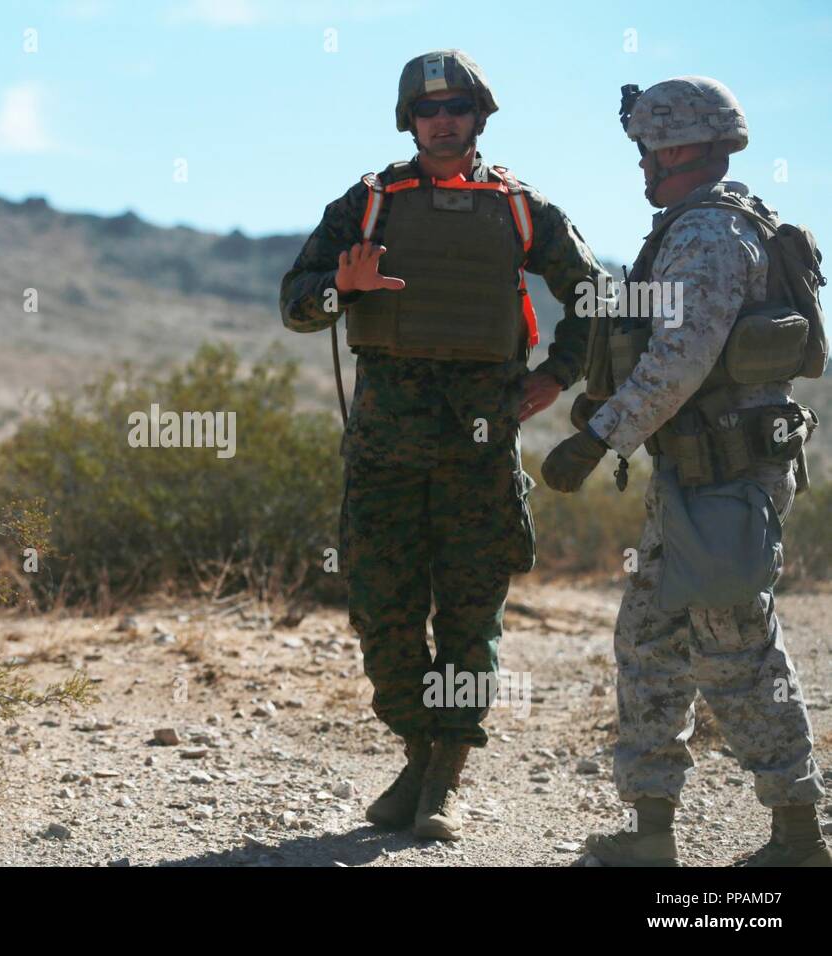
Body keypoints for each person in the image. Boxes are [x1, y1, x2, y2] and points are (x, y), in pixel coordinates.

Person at [280, 49, 606, 841]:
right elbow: (295, 303)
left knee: (468, 620)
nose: (443, 120)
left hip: (479, 451)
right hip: (386, 452)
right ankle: (422, 749)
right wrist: (341, 290)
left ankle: (444, 782)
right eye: (429, 109)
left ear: (479, 115)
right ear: (410, 119)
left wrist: (558, 374)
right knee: (382, 617)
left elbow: (594, 292)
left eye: (458, 106)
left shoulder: (521, 207)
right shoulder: (369, 202)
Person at [543, 76, 829, 866]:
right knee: (649, 640)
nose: (640, 161)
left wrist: (600, 436)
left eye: (646, 145)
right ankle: (650, 830)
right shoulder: (705, 225)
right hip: (693, 479)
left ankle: (798, 834)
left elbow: (680, 359)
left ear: (675, 146)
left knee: (736, 646)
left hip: (724, 478)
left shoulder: (706, 235)